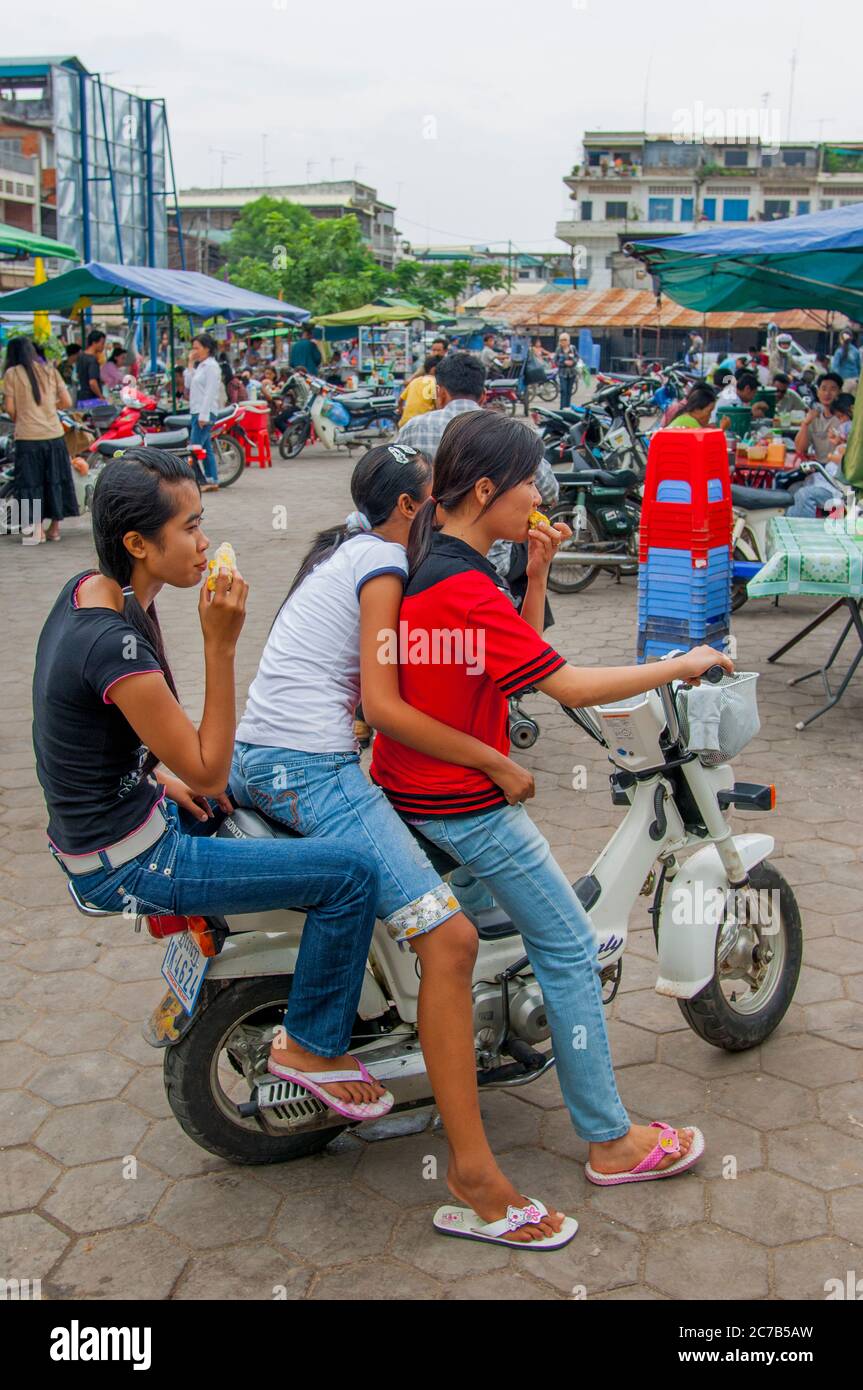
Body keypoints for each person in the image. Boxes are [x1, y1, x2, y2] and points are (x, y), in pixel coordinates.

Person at [370, 410, 726, 1195]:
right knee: (568, 947)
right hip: (465, 803)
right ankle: (610, 1141)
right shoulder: (459, 582)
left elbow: (515, 668)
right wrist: (679, 665)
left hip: (411, 792)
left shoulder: (439, 559)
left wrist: (534, 575)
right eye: (529, 480)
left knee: (471, 939)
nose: (538, 493)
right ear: (488, 487)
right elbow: (562, 682)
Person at [230, 442, 571, 1244]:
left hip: (269, 760)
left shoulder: (347, 553)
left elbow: (480, 671)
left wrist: (530, 576)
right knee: (449, 940)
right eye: (439, 499)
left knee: (439, 907)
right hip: (308, 771)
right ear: (416, 510)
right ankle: (474, 1176)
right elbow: (382, 707)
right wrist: (492, 759)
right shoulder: (384, 563)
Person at [31, 448, 388, 1117]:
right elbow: (210, 767)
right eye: (190, 528)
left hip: (119, 820)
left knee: (258, 795)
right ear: (138, 542)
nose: (205, 543)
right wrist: (221, 646)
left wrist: (157, 777)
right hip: (131, 862)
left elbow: (90, 739)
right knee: (350, 876)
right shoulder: (112, 641)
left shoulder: (98, 591)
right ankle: (311, 1043)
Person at [3, 336, 77, 544]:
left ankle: (37, 531)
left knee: (30, 483)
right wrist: (48, 411)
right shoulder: (50, 371)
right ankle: (55, 529)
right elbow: (67, 401)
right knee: (55, 480)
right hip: (54, 435)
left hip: (28, 438)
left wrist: (24, 419)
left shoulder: (12, 374)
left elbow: (9, 408)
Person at [396, 350, 485, 459]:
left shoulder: (414, 428)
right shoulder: (504, 429)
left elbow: (396, 470)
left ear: (440, 393)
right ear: (483, 396)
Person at [187, 333, 222, 493]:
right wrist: (190, 363)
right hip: (197, 410)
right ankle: (212, 479)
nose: (194, 351)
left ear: (207, 349)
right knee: (205, 447)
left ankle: (200, 479)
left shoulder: (211, 367)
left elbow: (210, 392)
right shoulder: (201, 366)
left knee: (195, 447)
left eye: (197, 348)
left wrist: (204, 415)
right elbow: (190, 383)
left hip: (204, 412)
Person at [794, 372, 844, 464]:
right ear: (818, 392)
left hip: (839, 468)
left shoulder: (844, 418)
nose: (827, 393)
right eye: (823, 389)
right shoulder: (813, 417)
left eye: (832, 389)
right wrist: (805, 424)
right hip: (819, 469)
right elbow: (800, 449)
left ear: (840, 392)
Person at [397, 355, 437, 426]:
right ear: (433, 369)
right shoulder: (434, 382)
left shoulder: (414, 381)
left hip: (405, 423)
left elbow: (400, 400)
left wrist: (400, 410)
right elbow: (437, 405)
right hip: (422, 424)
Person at [76, 329, 106, 404]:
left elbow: (78, 375)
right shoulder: (92, 360)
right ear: (94, 343)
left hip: (82, 398)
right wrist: (100, 396)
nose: (103, 346)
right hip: (92, 400)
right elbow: (92, 382)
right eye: (102, 343)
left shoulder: (81, 356)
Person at [554, 332, 578, 410]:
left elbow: (577, 358)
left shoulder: (572, 348)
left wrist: (573, 362)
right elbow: (555, 361)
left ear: (568, 340)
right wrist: (564, 363)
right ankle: (562, 408)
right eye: (562, 340)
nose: (563, 342)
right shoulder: (558, 349)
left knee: (569, 391)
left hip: (572, 373)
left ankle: (567, 408)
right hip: (562, 373)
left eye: (565, 340)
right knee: (563, 390)